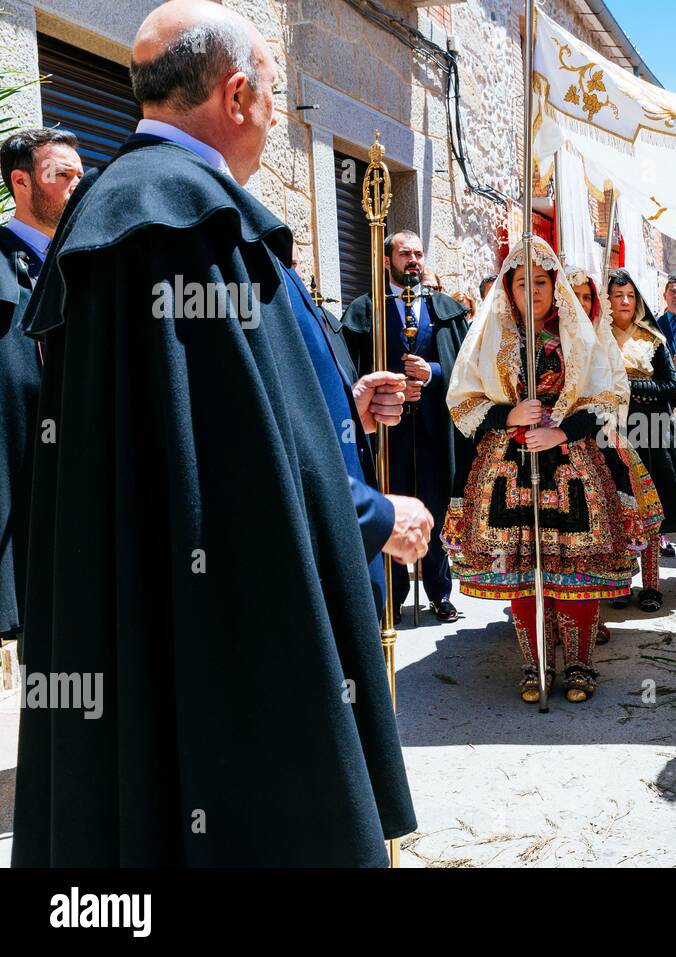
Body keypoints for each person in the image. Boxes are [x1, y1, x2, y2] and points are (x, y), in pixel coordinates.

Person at [13, 0, 416, 866]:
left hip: (138, 589)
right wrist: (377, 517)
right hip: (224, 608)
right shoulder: (190, 222)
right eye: (271, 93)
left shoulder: (117, 207)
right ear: (237, 94)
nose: (273, 115)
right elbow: (241, 457)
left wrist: (343, 396)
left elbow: (238, 400)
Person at [443, 237, 638, 704]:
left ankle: (578, 662)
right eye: (521, 282)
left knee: (578, 565)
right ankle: (534, 663)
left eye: (541, 281)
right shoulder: (488, 336)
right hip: (509, 466)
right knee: (522, 569)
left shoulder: (579, 336)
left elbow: (605, 397)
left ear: (554, 286)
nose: (532, 290)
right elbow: (464, 399)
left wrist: (562, 431)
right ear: (508, 288)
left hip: (572, 462)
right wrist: (507, 416)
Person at [342, 229, 471, 623]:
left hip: (434, 429)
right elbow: (349, 368)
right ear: (386, 261)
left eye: (417, 253)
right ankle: (392, 596)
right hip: (387, 429)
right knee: (391, 501)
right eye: (404, 254)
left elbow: (465, 368)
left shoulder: (445, 309)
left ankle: (439, 591)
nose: (413, 260)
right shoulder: (366, 310)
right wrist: (392, 381)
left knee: (434, 505)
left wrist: (430, 374)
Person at [0, 128, 82, 652]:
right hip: (28, 515)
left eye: (80, 175)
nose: (78, 186)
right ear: (21, 182)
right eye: (62, 175)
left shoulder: (89, 265)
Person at [606, 268, 676, 608]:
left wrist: (627, 387)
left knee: (650, 513)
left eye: (630, 296)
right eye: (618, 295)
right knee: (617, 510)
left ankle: (651, 585)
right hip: (609, 435)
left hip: (651, 435)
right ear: (607, 300)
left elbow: (668, 386)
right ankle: (620, 583)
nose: (624, 301)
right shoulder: (596, 338)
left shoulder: (652, 339)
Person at [567, 266, 663, 633]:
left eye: (587, 295)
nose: (581, 302)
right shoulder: (547, 338)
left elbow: (618, 388)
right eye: (573, 295)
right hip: (553, 445)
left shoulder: (603, 337)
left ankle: (601, 605)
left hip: (607, 438)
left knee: (620, 521)